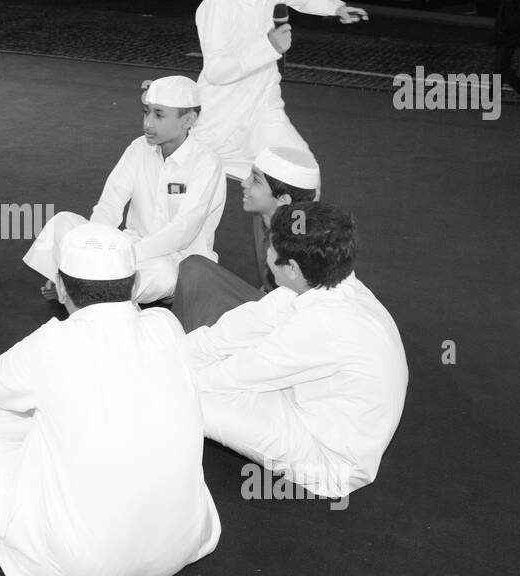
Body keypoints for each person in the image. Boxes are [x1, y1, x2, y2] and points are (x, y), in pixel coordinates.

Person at [0, 222, 220, 576]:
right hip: (183, 543)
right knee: (73, 414)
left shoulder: (53, 342)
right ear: (136, 281)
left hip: (74, 564)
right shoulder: (166, 325)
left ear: (59, 285)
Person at [186, 202, 408, 500]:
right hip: (311, 401)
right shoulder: (326, 282)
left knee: (189, 398)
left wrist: (159, 376)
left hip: (329, 459)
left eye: (272, 248)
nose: (267, 252)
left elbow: (241, 372)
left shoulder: (324, 324)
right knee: (211, 358)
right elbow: (238, 329)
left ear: (292, 268)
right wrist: (171, 355)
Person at [192, 0, 367, 181]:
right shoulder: (219, 4)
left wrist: (337, 8)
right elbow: (215, 72)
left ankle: (280, 223)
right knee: (192, 200)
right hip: (220, 117)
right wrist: (269, 47)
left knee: (301, 176)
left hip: (265, 107)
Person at [22, 75, 225, 305]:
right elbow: (110, 203)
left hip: (174, 259)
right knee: (63, 222)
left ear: (188, 120)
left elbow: (182, 232)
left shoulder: (206, 162)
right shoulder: (139, 148)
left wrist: (122, 256)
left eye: (158, 114)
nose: (147, 123)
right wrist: (94, 244)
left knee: (163, 273)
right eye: (146, 111)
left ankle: (78, 286)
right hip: (126, 248)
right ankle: (86, 285)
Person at [173, 145, 320, 332]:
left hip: (292, 323)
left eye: (255, 180)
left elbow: (301, 305)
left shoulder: (300, 237)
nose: (244, 183)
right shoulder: (266, 214)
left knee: (195, 270)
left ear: (283, 200)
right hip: (275, 305)